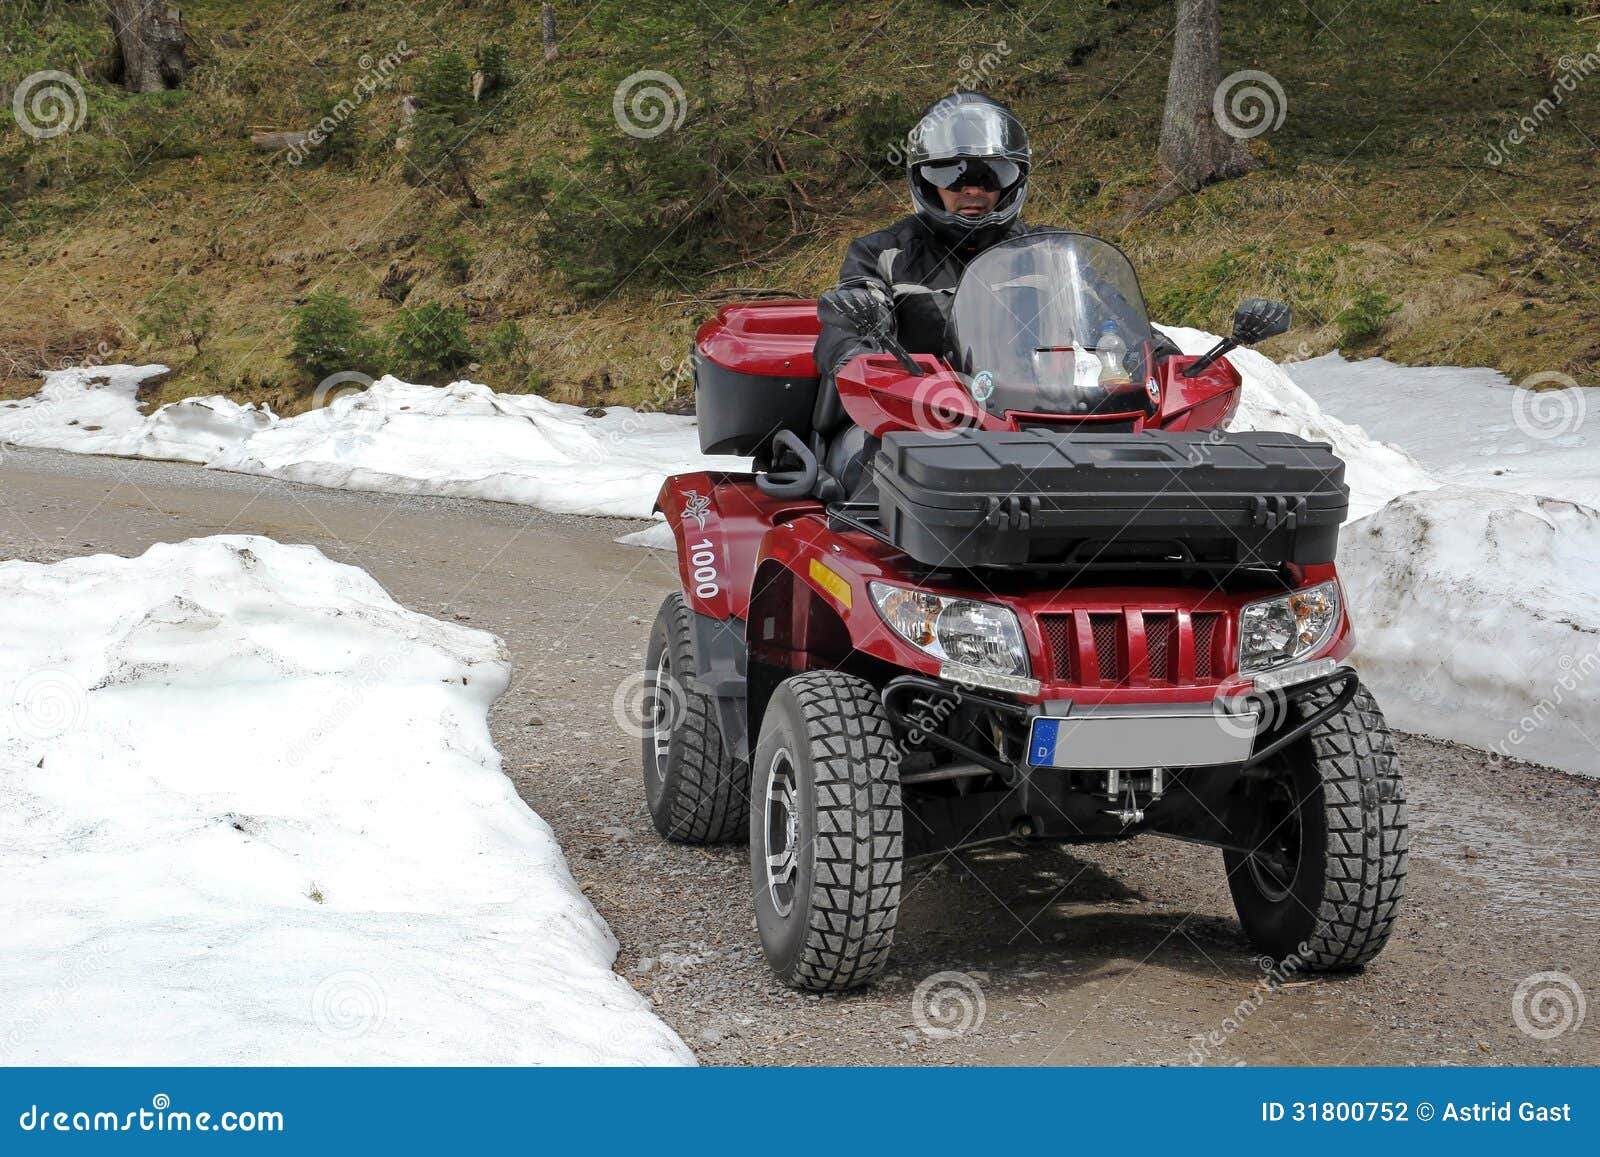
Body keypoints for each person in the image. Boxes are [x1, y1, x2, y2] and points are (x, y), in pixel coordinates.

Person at [811, 91, 1039, 490]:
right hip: (910, 418)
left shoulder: (1046, 253)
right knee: (880, 480)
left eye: (990, 177)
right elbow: (853, 325)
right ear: (925, 180)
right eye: (952, 176)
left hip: (1034, 416)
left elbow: (1106, 315)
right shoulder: (881, 252)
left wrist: (1162, 357)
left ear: (1013, 179)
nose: (972, 190)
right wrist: (859, 349)